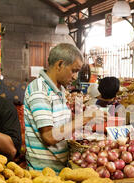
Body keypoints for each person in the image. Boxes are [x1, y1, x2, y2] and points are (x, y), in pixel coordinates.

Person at [24, 43, 103, 172]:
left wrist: (88, 117)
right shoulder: (39, 90)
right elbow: (49, 136)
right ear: (60, 65)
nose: (75, 77)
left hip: (60, 168)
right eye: (74, 70)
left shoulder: (59, 89)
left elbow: (60, 122)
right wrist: (83, 119)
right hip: (43, 173)